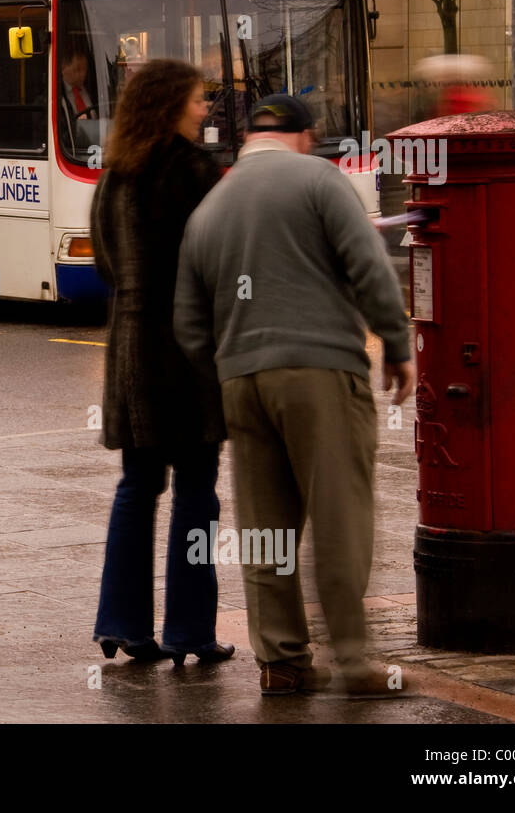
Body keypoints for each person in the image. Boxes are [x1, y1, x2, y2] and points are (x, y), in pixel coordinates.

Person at [174, 95, 415, 697]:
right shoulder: (319, 180)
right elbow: (368, 263)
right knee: (340, 516)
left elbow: (188, 320)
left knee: (266, 529)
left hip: (241, 381)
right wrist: (397, 340)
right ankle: (355, 660)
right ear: (303, 136)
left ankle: (281, 660)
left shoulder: (210, 208)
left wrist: (227, 369)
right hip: (320, 370)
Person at [90, 59, 235, 666]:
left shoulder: (115, 177)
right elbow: (223, 265)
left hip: (133, 354)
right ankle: (189, 632)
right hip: (189, 354)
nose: (206, 110)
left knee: (137, 486)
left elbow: (103, 261)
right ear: (172, 106)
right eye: (199, 101)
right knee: (196, 492)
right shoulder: (198, 174)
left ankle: (122, 624)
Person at [58, 48, 97, 151]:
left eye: (85, 69)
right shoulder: (56, 96)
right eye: (78, 69)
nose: (82, 74)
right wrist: (76, 126)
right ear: (63, 68)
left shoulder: (91, 89)